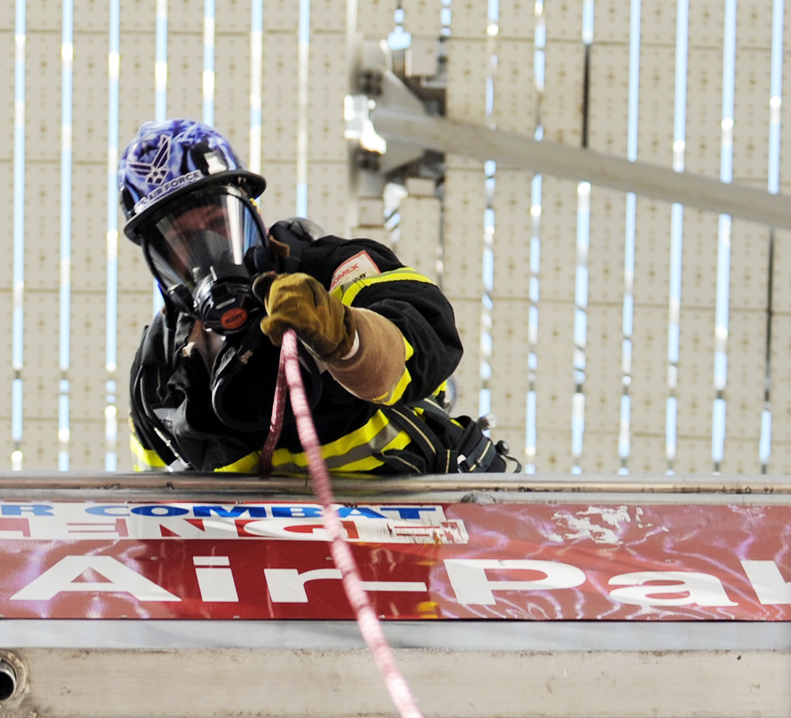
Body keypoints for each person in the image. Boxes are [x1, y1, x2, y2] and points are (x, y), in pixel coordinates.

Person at [118, 117, 511, 475]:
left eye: (220, 221)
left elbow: (423, 340)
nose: (208, 249)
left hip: (427, 523)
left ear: (251, 212)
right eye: (182, 240)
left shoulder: (333, 270)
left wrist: (344, 337)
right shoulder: (157, 375)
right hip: (272, 550)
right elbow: (155, 513)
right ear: (159, 262)